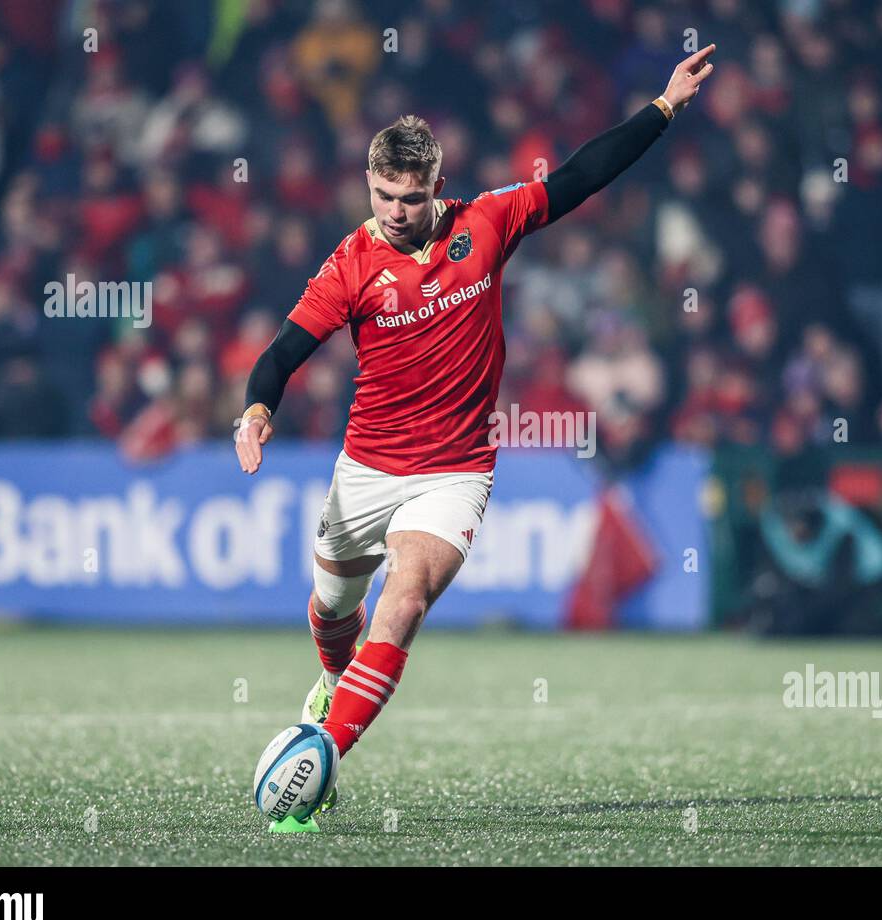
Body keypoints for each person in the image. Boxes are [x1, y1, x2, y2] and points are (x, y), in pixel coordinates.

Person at [234, 44, 716, 809]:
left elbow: (579, 178)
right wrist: (258, 410)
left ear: (437, 187)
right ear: (369, 185)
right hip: (366, 468)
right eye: (385, 195)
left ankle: (323, 751)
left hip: (454, 471)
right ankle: (333, 681)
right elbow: (283, 352)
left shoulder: (487, 223)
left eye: (411, 196)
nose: (396, 211)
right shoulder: (350, 265)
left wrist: (661, 110)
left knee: (408, 597)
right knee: (330, 609)